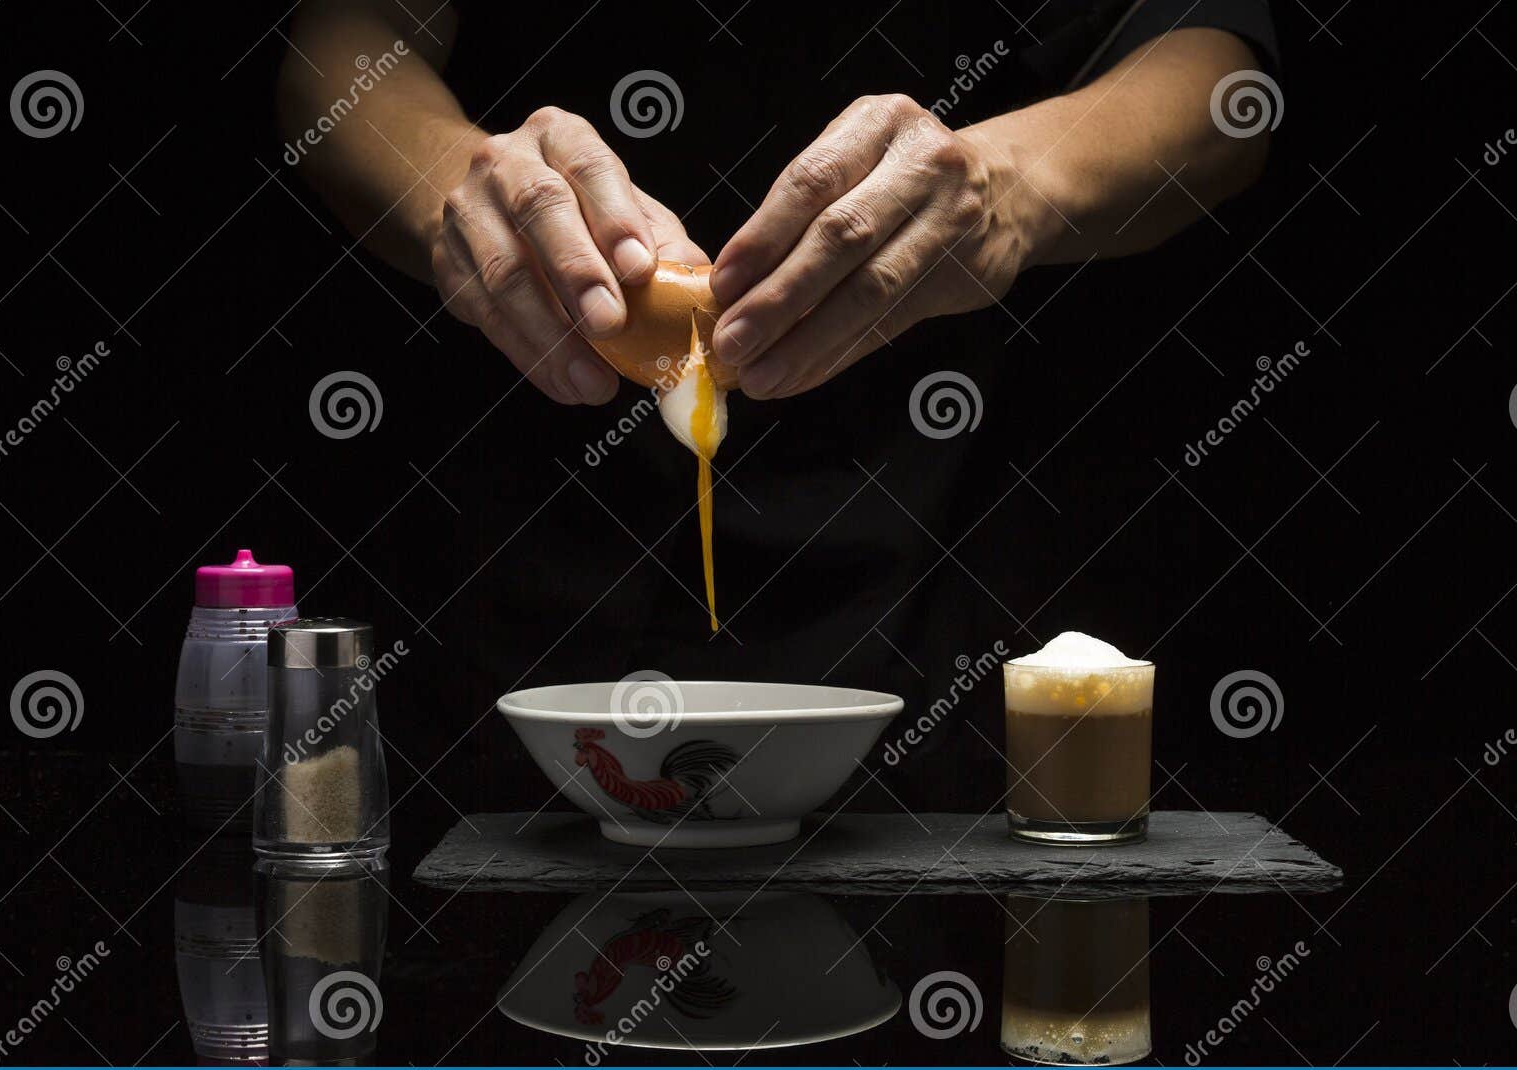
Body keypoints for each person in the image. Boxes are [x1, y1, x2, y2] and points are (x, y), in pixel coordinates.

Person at [276, 1, 1279, 806]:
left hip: (946, 560)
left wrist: (1006, 182)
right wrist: (460, 183)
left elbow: (1219, 74)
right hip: (513, 563)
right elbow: (334, 42)